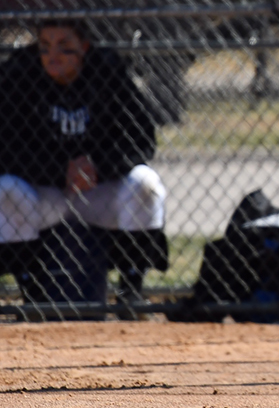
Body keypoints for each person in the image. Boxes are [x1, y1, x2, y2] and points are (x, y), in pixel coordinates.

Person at [0, 20, 168, 313]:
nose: (54, 55)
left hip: (97, 191)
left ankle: (131, 291)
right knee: (7, 189)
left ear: (84, 47)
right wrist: (57, 170)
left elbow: (142, 138)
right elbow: (7, 148)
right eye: (45, 47)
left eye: (65, 47)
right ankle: (32, 297)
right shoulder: (20, 76)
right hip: (46, 194)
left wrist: (97, 166)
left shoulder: (107, 72)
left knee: (145, 184)